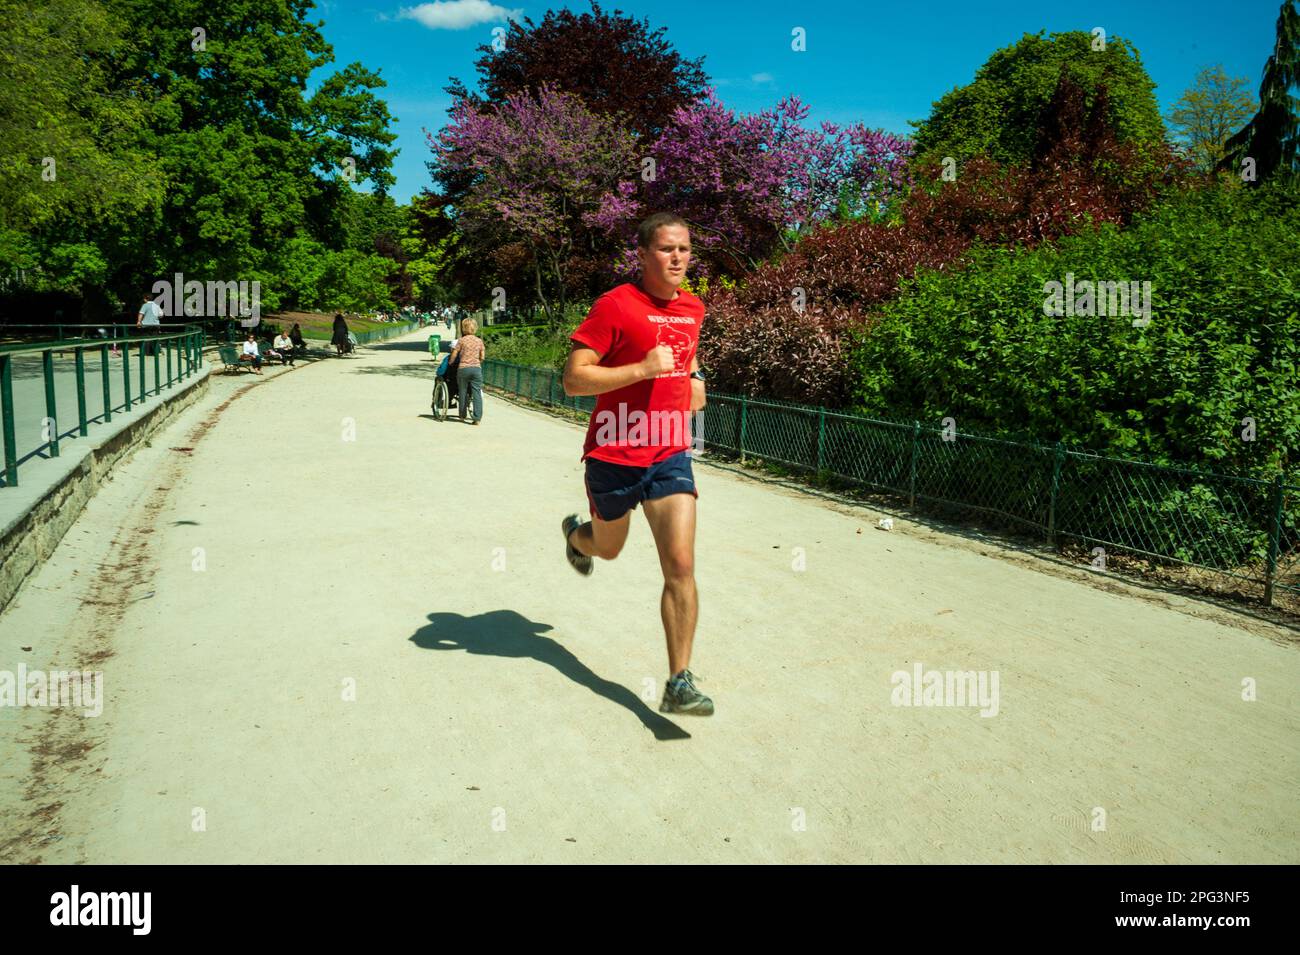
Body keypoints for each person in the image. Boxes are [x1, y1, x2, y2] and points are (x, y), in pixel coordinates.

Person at [559, 212, 711, 716]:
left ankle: (679, 681)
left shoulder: (694, 308)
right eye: (667, 249)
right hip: (613, 452)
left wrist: (697, 378)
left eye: (685, 250)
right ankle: (576, 537)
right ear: (643, 255)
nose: (678, 259)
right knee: (609, 548)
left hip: (669, 452)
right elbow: (575, 380)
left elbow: (687, 359)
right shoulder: (615, 306)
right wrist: (641, 369)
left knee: (682, 565)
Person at [448, 319, 485, 424]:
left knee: (462, 391)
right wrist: (477, 362)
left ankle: (462, 416)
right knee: (476, 392)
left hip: (463, 368)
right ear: (475, 328)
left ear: (463, 328)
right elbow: (482, 356)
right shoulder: (479, 341)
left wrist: (451, 362)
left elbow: (454, 354)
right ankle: (477, 418)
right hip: (476, 369)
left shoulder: (461, 340)